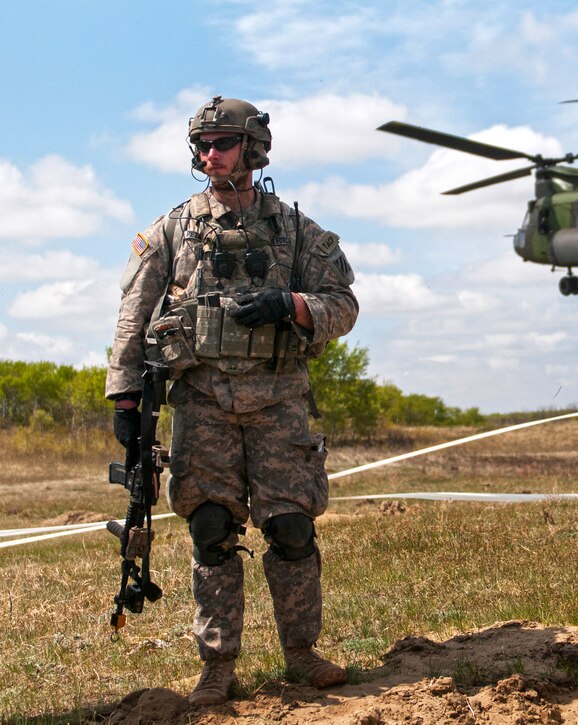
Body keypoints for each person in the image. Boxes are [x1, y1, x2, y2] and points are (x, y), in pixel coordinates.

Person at [106, 96, 359, 707]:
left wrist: (293, 306)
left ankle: (301, 654)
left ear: (252, 149)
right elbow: (132, 315)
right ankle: (217, 666)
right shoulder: (172, 229)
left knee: (292, 527)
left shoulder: (296, 229)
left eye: (220, 143)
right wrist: (125, 396)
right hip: (203, 404)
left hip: (278, 403)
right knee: (211, 529)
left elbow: (344, 306)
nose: (208, 154)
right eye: (201, 145)